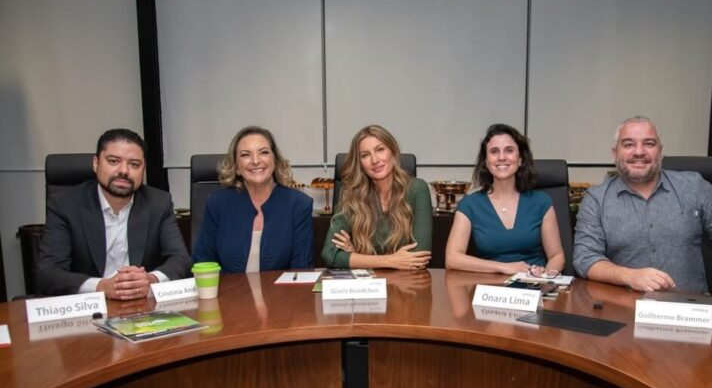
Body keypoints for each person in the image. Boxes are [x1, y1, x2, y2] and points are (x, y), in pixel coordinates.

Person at [573, 115, 712, 298]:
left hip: (691, 308)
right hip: (624, 307)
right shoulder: (596, 199)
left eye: (649, 144)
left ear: (660, 152)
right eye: (628, 144)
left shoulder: (695, 187)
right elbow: (585, 258)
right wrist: (630, 276)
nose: (639, 152)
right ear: (615, 153)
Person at [37, 128, 190, 299]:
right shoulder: (65, 204)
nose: (124, 171)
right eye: (113, 161)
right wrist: (100, 286)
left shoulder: (158, 203)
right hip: (88, 305)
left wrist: (151, 279)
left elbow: (180, 259)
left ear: (143, 170)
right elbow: (48, 273)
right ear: (96, 163)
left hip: (141, 304)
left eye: (134, 164)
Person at [445, 124, 565, 275]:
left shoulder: (542, 202)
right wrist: (503, 267)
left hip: (533, 283)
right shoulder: (469, 205)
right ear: (486, 161)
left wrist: (546, 275)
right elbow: (452, 259)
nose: (502, 157)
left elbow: (557, 256)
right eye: (494, 151)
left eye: (509, 150)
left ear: (520, 159)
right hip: (489, 286)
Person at [193, 125, 313, 273]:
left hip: (279, 288)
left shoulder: (299, 205)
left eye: (263, 152)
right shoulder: (218, 204)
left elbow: (301, 269)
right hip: (227, 288)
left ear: (275, 160)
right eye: (245, 155)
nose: (255, 161)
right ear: (236, 166)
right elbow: (203, 259)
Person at [321, 125, 432, 270]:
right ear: (360, 163)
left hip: (405, 283)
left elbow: (419, 259)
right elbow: (330, 255)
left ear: (393, 151)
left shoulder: (417, 189)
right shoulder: (350, 193)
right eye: (365, 155)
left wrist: (356, 257)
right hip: (366, 284)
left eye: (380, 150)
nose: (374, 160)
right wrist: (391, 261)